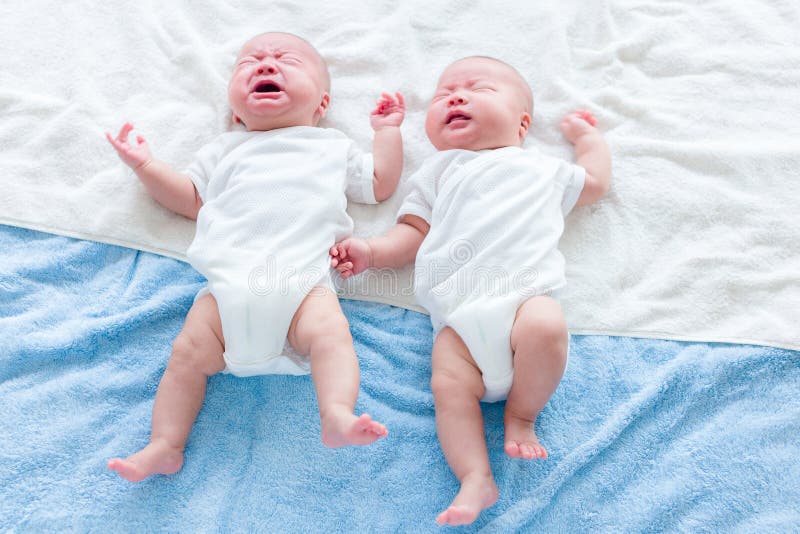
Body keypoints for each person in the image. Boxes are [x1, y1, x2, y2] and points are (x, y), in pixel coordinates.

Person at [105, 32, 405, 482]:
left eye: (286, 60)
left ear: (321, 105)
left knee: (330, 336)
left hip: (303, 284)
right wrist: (147, 166)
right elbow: (189, 198)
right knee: (186, 356)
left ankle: (337, 413)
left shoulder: (331, 146)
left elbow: (380, 182)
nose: (265, 65)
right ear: (234, 111)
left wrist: (388, 133)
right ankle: (166, 443)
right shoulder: (224, 150)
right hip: (226, 290)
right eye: (250, 62)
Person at [330, 56, 611, 526]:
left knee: (548, 325)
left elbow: (597, 183)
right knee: (448, 386)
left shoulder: (540, 169)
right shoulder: (438, 174)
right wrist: (371, 251)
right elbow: (412, 235)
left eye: (478, 89)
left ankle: (522, 415)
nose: (456, 97)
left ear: (522, 124)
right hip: (458, 319)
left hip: (523, 300)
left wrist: (588, 140)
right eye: (444, 95)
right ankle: (475, 475)